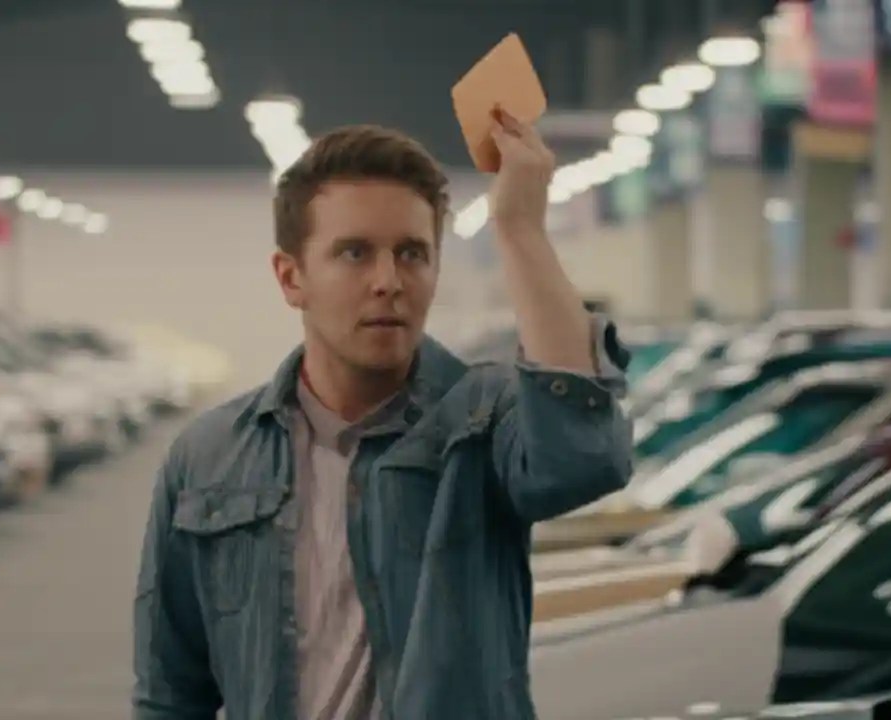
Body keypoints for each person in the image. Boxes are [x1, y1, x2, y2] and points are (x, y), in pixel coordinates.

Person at [132, 112, 633, 719]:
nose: (388, 281)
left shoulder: (480, 424)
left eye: (412, 254)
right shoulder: (208, 458)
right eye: (354, 253)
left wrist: (521, 227)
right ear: (291, 277)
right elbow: (170, 694)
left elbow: (583, 460)